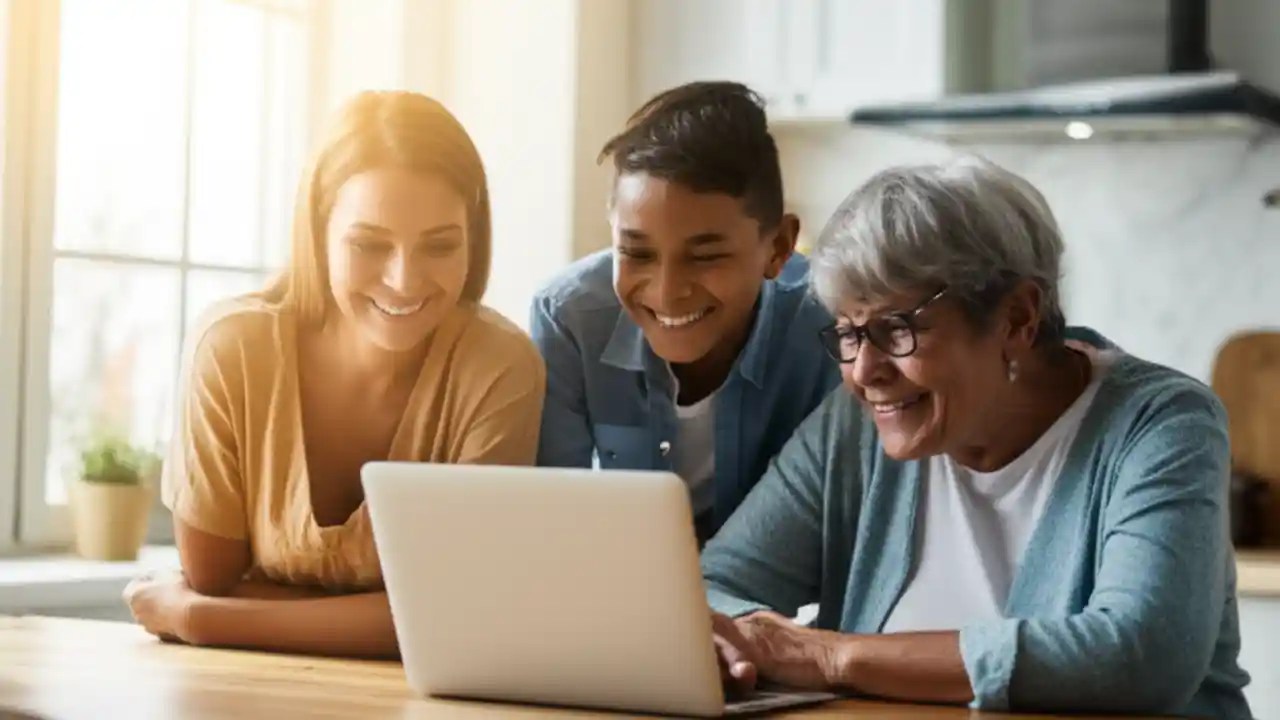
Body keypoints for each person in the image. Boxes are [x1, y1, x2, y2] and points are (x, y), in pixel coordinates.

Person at [701, 157, 1253, 718]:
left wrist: (831, 656)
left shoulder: (1160, 423)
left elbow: (1140, 657)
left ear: (1016, 318)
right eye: (848, 332)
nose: (864, 372)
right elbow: (709, 586)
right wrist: (739, 641)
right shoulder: (854, 425)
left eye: (897, 328)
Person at [123, 91, 546, 658]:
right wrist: (393, 612)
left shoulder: (500, 367)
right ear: (318, 234)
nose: (404, 280)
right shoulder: (231, 349)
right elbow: (213, 580)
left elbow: (459, 614)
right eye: (369, 244)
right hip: (239, 687)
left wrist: (202, 620)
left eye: (440, 246)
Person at [530, 82, 838, 542]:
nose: (668, 292)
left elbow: (836, 532)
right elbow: (550, 520)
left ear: (777, 247)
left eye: (705, 257)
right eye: (636, 253)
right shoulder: (569, 318)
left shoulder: (829, 326)